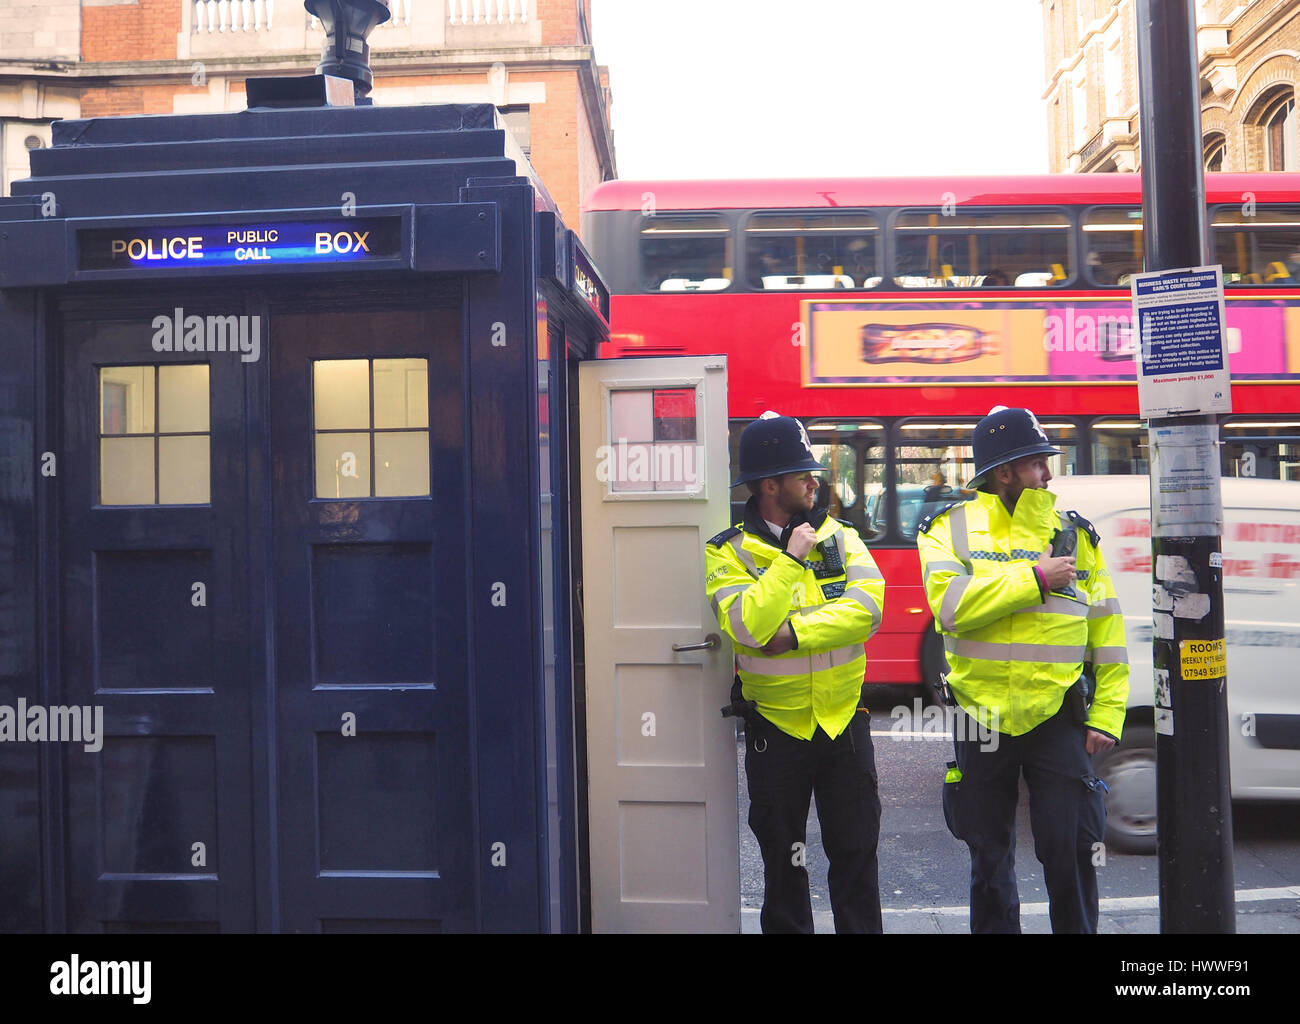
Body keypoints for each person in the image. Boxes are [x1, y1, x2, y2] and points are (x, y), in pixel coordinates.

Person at [916, 406, 1129, 934]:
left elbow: (1106, 631)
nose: (1049, 475)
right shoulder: (948, 530)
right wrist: (1033, 578)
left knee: (1073, 854)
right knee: (988, 858)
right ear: (1005, 471)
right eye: (1038, 464)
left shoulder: (1075, 536)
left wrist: (1108, 714)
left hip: (1058, 715)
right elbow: (949, 606)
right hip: (979, 716)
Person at [705, 412, 886, 933]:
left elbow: (869, 608)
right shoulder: (728, 551)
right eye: (801, 473)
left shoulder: (841, 536)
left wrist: (798, 633)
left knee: (856, 858)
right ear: (769, 485)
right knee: (785, 867)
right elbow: (748, 626)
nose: (814, 480)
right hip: (776, 732)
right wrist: (788, 561)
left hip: (843, 725)